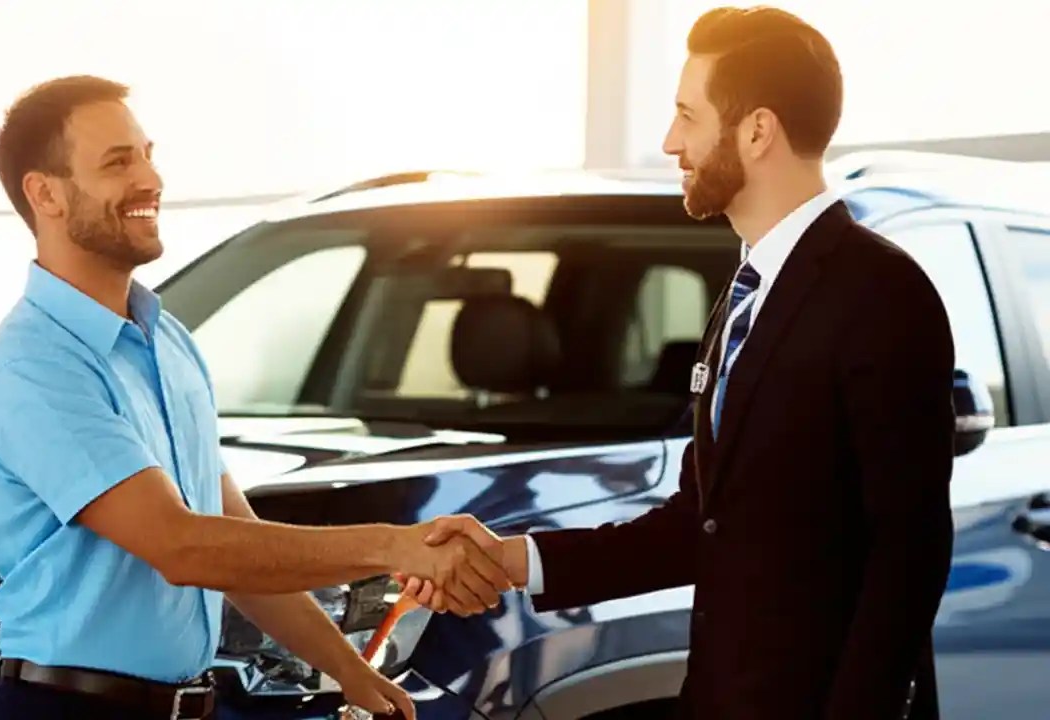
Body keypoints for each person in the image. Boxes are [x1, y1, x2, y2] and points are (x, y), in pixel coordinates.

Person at [402, 6, 956, 719]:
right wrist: (511, 560)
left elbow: (908, 549)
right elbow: (702, 523)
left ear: (757, 131)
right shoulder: (746, 293)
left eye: (687, 116)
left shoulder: (880, 292)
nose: (670, 142)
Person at [0, 75, 512, 720]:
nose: (150, 179)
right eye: (118, 162)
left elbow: (236, 544)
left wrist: (348, 673)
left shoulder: (165, 340)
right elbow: (184, 547)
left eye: (147, 153)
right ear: (44, 193)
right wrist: (397, 546)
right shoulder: (36, 364)